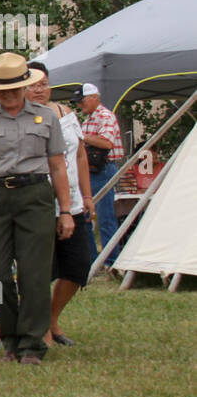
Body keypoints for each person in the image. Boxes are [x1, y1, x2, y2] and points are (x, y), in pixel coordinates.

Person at [0, 54, 75, 365]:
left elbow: (57, 165)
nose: (8, 96)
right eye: (2, 91)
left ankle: (31, 344)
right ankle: (8, 338)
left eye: (14, 90)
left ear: (24, 87)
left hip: (35, 196)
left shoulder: (46, 117)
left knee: (34, 275)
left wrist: (65, 210)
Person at [27, 63, 94, 345]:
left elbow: (79, 156)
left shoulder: (66, 115)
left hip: (73, 203)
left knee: (80, 264)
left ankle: (53, 320)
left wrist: (88, 196)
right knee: (41, 269)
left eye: (44, 83)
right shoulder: (20, 118)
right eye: (33, 83)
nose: (39, 89)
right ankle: (38, 328)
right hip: (38, 203)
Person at [75, 82, 124, 267]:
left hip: (104, 169)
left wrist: (80, 136)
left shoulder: (105, 116)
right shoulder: (88, 120)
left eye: (82, 101)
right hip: (89, 170)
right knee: (85, 215)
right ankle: (93, 260)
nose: (80, 105)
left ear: (94, 97)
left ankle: (111, 261)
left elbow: (106, 143)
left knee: (105, 216)